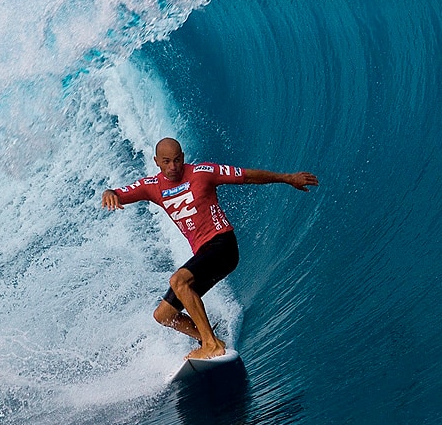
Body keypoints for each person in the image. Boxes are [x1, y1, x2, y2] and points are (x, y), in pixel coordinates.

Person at [101, 137, 318, 360]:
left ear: (183, 158)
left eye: (177, 160)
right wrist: (110, 193)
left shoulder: (202, 172)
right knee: (164, 315)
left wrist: (288, 178)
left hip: (223, 246)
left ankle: (211, 344)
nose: (173, 167)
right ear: (157, 162)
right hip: (204, 253)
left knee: (178, 281)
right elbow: (119, 193)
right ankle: (210, 339)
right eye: (166, 162)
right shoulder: (152, 187)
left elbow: (247, 176)